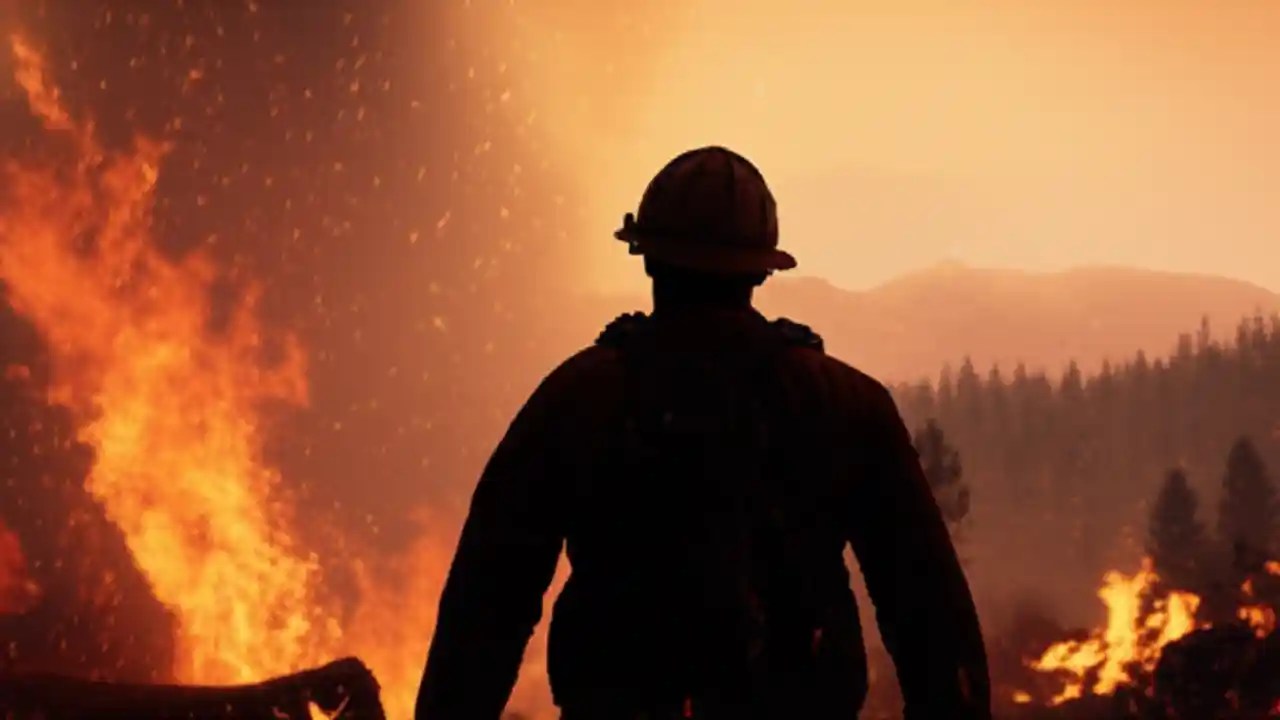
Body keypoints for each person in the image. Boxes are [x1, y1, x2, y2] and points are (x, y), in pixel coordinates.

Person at [416, 146, 991, 720]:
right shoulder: (845, 404)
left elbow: (486, 607)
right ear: (764, 268)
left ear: (646, 258)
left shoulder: (577, 399)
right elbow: (929, 615)